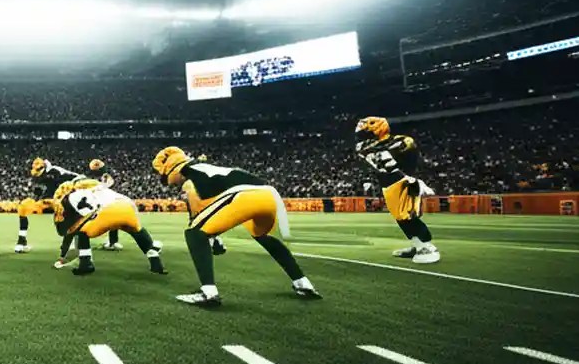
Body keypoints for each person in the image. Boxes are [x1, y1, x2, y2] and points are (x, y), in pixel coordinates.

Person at [152, 146, 320, 308]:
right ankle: (302, 283)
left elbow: (198, 217)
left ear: (172, 170)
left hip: (242, 196)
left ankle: (208, 292)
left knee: (194, 233)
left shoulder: (189, 179)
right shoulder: (205, 167)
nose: (170, 184)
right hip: (268, 195)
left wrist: (213, 240)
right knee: (264, 236)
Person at [355, 116, 441, 263]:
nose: (364, 137)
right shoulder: (366, 148)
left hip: (402, 181)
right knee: (400, 217)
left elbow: (411, 162)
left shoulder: (401, 142)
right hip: (388, 184)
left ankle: (427, 247)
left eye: (367, 133)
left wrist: (411, 179)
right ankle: (417, 244)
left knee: (407, 216)